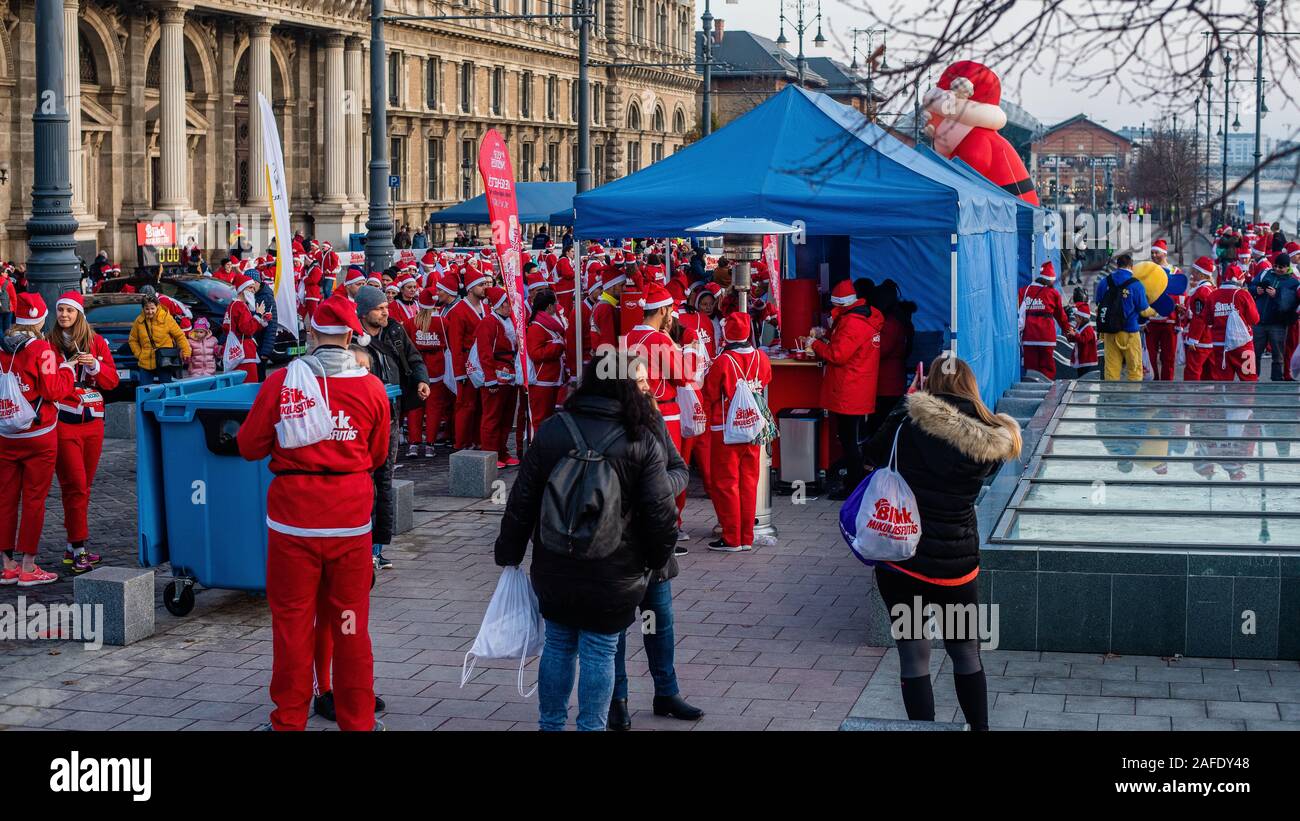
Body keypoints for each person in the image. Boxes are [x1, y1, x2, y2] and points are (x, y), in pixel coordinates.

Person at [494, 350, 679, 732]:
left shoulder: (553, 429)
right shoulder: (639, 438)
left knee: (559, 644)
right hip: (614, 566)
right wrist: (655, 560)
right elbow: (661, 514)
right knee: (600, 649)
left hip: (555, 563)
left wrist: (509, 552)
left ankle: (550, 725)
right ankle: (592, 727)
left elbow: (522, 499)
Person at [238, 292, 390, 732]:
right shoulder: (372, 387)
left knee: (292, 625)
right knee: (350, 624)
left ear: (310, 333)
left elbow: (249, 447)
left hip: (294, 523)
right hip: (349, 523)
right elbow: (377, 456)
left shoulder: (283, 382)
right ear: (350, 334)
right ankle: (358, 720)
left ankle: (288, 721)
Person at [864, 356, 1022, 732]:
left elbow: (868, 454)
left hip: (903, 560)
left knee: (913, 658)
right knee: (966, 653)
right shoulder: (992, 436)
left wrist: (907, 401)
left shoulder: (906, 422)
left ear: (929, 382)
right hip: (956, 565)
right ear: (970, 384)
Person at [607, 354, 703, 731]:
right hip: (614, 546)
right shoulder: (603, 428)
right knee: (615, 628)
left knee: (659, 621)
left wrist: (660, 492)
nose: (649, 387)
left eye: (648, 379)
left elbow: (679, 468)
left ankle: (667, 691)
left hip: (656, 542)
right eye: (641, 381)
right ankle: (618, 699)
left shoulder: (654, 419)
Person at [0, 294, 77, 587]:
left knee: (5, 499)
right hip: (38, 434)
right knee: (34, 499)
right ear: (40, 320)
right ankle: (28, 566)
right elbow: (55, 390)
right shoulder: (41, 350)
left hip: (6, 434)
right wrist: (67, 371)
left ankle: (7, 566)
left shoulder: (2, 349)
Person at [357, 285, 429, 570]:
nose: (386, 312)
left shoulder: (396, 332)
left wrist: (421, 379)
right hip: (366, 423)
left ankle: (377, 548)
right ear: (364, 313)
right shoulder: (354, 342)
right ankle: (362, 547)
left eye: (386, 307)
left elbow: (414, 358)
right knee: (366, 485)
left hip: (391, 419)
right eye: (379, 309)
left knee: (384, 483)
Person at [46, 292, 118, 574]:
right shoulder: (49, 345)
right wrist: (68, 368)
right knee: (74, 484)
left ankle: (70, 546)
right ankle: (79, 547)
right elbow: (49, 385)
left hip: (93, 424)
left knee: (84, 487)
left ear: (79, 315)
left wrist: (94, 366)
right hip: (64, 424)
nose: (64, 315)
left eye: (69, 311)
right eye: (60, 310)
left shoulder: (96, 342)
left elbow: (112, 381)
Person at [625, 283, 692, 540]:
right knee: (671, 467)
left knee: (641, 465)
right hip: (664, 410)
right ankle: (671, 522)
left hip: (634, 409)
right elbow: (683, 376)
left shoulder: (628, 335)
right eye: (670, 310)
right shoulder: (661, 339)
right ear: (663, 310)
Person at [806, 279, 884, 500]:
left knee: (849, 441)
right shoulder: (866, 318)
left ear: (840, 304)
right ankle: (855, 484)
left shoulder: (852, 322)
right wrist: (825, 337)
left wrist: (815, 344)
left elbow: (837, 355)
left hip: (848, 390)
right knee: (853, 439)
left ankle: (853, 487)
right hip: (860, 388)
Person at [703, 313, 773, 553]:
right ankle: (746, 536)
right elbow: (766, 380)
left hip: (726, 429)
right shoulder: (761, 358)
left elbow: (710, 393)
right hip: (753, 427)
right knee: (749, 482)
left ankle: (731, 538)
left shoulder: (723, 362)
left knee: (726, 483)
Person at [403, 280, 456, 459]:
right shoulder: (443, 322)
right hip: (437, 370)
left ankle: (413, 443)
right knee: (434, 409)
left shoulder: (411, 323)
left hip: (416, 370)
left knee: (415, 408)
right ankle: (430, 445)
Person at [475, 286, 521, 469]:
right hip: (496, 374)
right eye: (507, 304)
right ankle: (491, 453)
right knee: (492, 416)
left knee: (507, 416)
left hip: (510, 374)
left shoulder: (509, 321)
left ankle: (502, 451)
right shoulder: (488, 323)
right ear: (498, 305)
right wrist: (490, 379)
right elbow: (484, 353)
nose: (510, 307)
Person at [447, 262, 490, 450]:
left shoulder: (486, 308)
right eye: (482, 285)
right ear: (471, 288)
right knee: (466, 405)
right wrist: (460, 373)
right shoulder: (458, 311)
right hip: (466, 363)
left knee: (482, 405)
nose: (486, 288)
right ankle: (461, 443)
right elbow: (455, 345)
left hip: (483, 363)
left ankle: (478, 440)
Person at [1094, 253, 1155, 382]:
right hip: (1130, 332)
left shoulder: (1104, 282)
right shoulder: (1136, 284)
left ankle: (1111, 398)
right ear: (1131, 266)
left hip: (1110, 332)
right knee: (1134, 369)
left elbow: (1098, 305)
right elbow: (1144, 311)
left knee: (1111, 369)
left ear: (1117, 265)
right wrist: (1154, 311)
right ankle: (1133, 399)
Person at [867, 280, 915, 438]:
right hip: (893, 379)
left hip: (886, 382)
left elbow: (880, 350)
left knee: (880, 424)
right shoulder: (900, 321)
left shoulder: (889, 324)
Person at [1018, 261, 1073, 380]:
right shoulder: (1053, 294)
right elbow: (1061, 317)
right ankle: (1047, 393)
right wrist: (1069, 333)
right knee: (1047, 369)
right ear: (1051, 280)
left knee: (1031, 370)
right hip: (1046, 338)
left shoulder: (1024, 291)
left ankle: (1031, 393)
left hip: (1029, 337)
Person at [1207, 264, 1261, 382]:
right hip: (1243, 344)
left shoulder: (1213, 295)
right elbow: (1254, 319)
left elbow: (1208, 320)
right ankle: (1247, 401)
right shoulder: (1243, 294)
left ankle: (1224, 401)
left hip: (1220, 345)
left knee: (1222, 382)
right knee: (1249, 381)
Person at [1250, 252, 1298, 383]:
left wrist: (1277, 295)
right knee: (1255, 352)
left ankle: (1276, 379)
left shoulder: (1293, 282)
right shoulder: (1265, 273)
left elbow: (1291, 303)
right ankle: (1253, 377)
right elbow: (1251, 287)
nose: (1277, 269)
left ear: (1287, 267)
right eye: (1275, 266)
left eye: (1281, 267)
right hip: (1259, 321)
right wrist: (1256, 290)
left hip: (1278, 323)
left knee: (1278, 354)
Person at [525, 287, 567, 434]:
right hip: (541, 381)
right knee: (539, 420)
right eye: (555, 303)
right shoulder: (536, 327)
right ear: (549, 306)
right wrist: (557, 347)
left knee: (548, 419)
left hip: (552, 378)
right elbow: (535, 353)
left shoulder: (550, 324)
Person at [129, 290, 191, 386]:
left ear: (157, 307)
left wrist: (186, 350)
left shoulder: (167, 318)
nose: (150, 311)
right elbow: (133, 340)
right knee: (145, 390)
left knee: (166, 389)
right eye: (147, 309)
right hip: (145, 361)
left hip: (164, 360)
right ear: (143, 309)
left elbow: (179, 336)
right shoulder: (139, 321)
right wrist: (139, 354)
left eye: (152, 308)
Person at [224, 275, 272, 385]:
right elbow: (248, 329)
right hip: (245, 352)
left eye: (253, 288)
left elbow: (231, 327)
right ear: (242, 289)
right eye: (250, 288)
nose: (253, 291)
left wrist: (261, 319)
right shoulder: (240, 306)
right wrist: (258, 314)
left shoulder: (233, 305)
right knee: (250, 385)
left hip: (238, 349)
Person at [1181, 257, 1218, 382]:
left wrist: (1193, 340)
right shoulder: (1212, 289)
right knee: (1210, 372)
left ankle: (1192, 397)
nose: (1192, 274)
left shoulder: (1201, 292)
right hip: (1212, 337)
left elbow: (1199, 318)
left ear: (1201, 274)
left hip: (1201, 338)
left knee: (1193, 371)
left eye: (1195, 271)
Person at [591, 265, 626, 351]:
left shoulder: (603, 303)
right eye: (621, 285)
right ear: (611, 287)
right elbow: (609, 342)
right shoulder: (606, 307)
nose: (624, 288)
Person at [253, 272, 280, 382]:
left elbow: (272, 326)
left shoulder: (266, 298)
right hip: (253, 346)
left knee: (259, 378)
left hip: (261, 346)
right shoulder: (252, 296)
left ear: (256, 282)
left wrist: (266, 351)